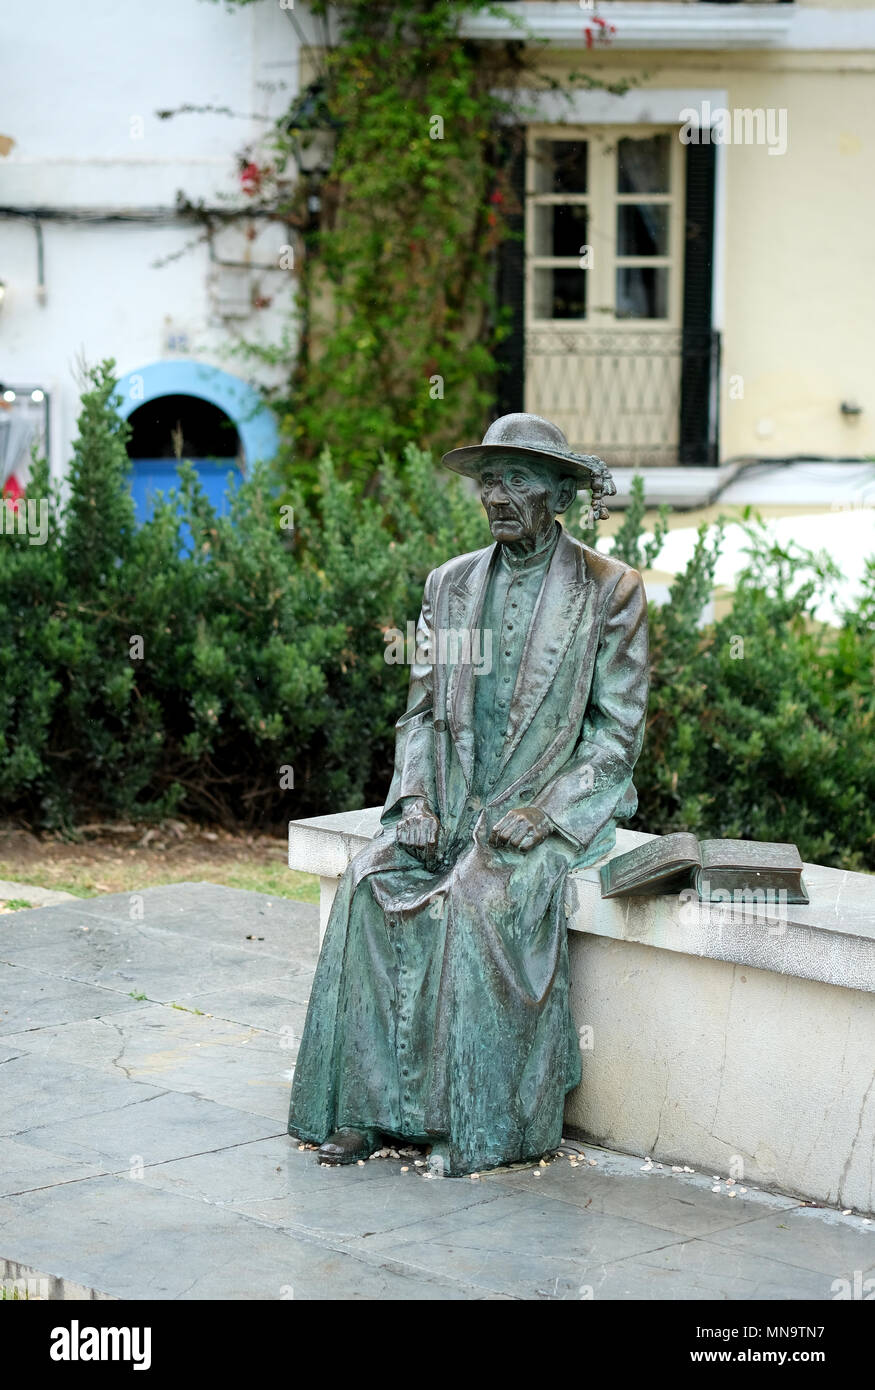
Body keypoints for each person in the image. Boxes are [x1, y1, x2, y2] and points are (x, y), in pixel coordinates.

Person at [288, 412, 649, 1176]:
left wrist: (547, 813)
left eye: (516, 478)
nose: (497, 494)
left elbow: (614, 737)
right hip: (447, 803)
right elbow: (420, 714)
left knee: (473, 901)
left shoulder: (609, 591)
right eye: (489, 479)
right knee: (367, 882)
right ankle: (360, 1106)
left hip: (545, 810)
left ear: (556, 491)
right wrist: (414, 802)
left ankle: (476, 1118)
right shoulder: (448, 586)